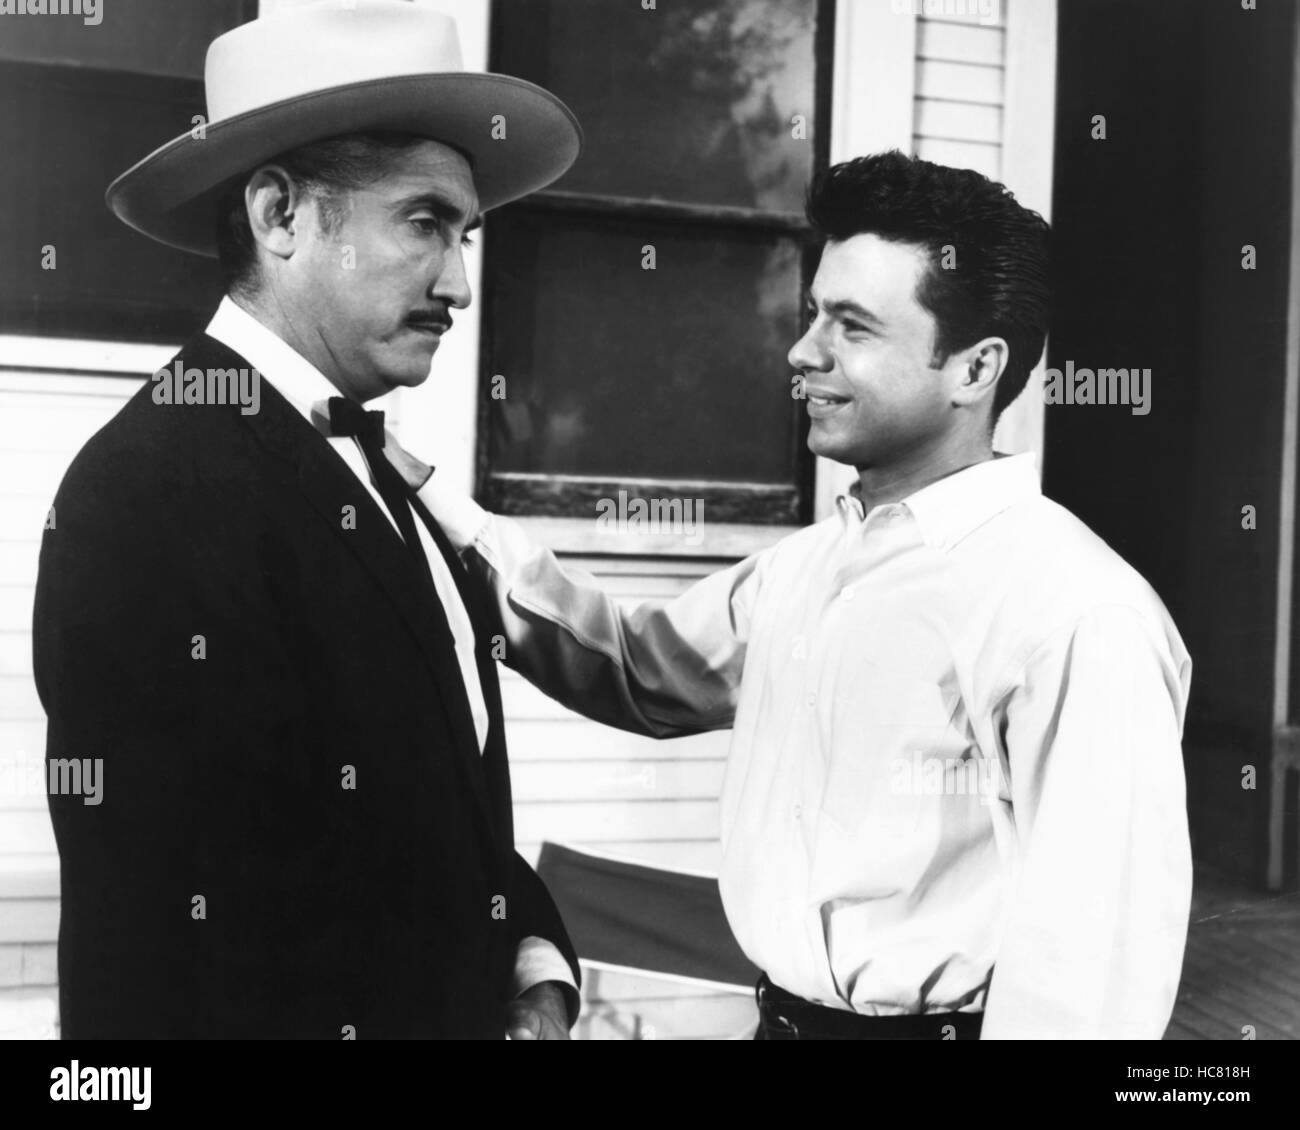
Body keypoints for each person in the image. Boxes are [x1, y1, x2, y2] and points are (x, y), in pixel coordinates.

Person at [390, 151, 1195, 1039]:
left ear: (974, 370)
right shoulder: (807, 569)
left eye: (852, 327)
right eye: (815, 313)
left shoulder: (1076, 611)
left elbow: (1094, 983)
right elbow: (629, 665)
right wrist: (426, 499)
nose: (801, 351)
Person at [33, 0, 582, 1039]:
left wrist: (531, 963)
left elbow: (429, 813)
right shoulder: (150, 491)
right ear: (280, 215)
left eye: (463, 235)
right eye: (423, 222)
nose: (459, 283)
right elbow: (166, 946)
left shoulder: (386, 479)